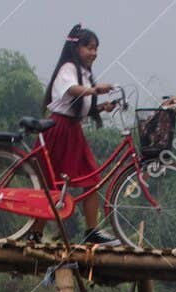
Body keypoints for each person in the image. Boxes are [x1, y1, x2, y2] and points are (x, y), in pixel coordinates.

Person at [37, 25, 120, 246]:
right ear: (76, 48)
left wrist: (102, 107)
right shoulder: (68, 68)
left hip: (74, 131)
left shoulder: (84, 73)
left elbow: (80, 106)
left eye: (96, 49)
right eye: (89, 48)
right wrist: (95, 90)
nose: (93, 53)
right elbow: (71, 90)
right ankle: (34, 233)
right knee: (50, 184)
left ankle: (92, 231)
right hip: (58, 130)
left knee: (91, 177)